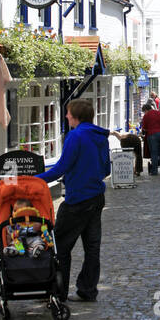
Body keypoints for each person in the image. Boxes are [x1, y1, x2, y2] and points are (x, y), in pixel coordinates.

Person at [36, 98, 111, 302]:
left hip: (77, 199)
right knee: (92, 248)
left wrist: (33, 180)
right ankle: (88, 289)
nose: (66, 116)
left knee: (60, 245)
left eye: (68, 113)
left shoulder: (75, 136)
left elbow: (60, 168)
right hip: (97, 198)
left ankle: (58, 291)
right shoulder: (100, 137)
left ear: (76, 115)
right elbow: (106, 169)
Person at [140, 99, 160, 175]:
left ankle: (154, 171)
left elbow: (144, 128)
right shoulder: (159, 112)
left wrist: (143, 133)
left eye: (144, 111)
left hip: (153, 135)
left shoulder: (146, 116)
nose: (144, 113)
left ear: (146, 110)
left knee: (154, 153)